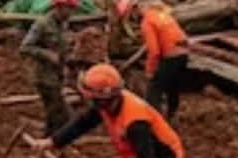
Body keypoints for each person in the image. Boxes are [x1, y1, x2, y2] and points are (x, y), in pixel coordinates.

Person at [29, 63, 184, 158]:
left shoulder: (136, 124)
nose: (89, 101)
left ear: (101, 99)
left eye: (90, 97)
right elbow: (82, 123)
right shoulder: (109, 104)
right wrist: (51, 142)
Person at [20, 0, 80, 136]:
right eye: (69, 8)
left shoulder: (64, 25)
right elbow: (25, 47)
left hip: (57, 76)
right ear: (59, 6)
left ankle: (50, 141)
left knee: (55, 113)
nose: (71, 13)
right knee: (58, 114)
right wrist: (47, 54)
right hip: (44, 77)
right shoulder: (42, 24)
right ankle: (50, 142)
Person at [117, 0, 188, 121]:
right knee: (172, 87)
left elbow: (154, 51)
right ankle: (172, 116)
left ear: (134, 10)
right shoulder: (160, 13)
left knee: (154, 90)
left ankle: (156, 122)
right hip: (183, 53)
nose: (133, 19)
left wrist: (150, 70)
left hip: (171, 55)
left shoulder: (147, 22)